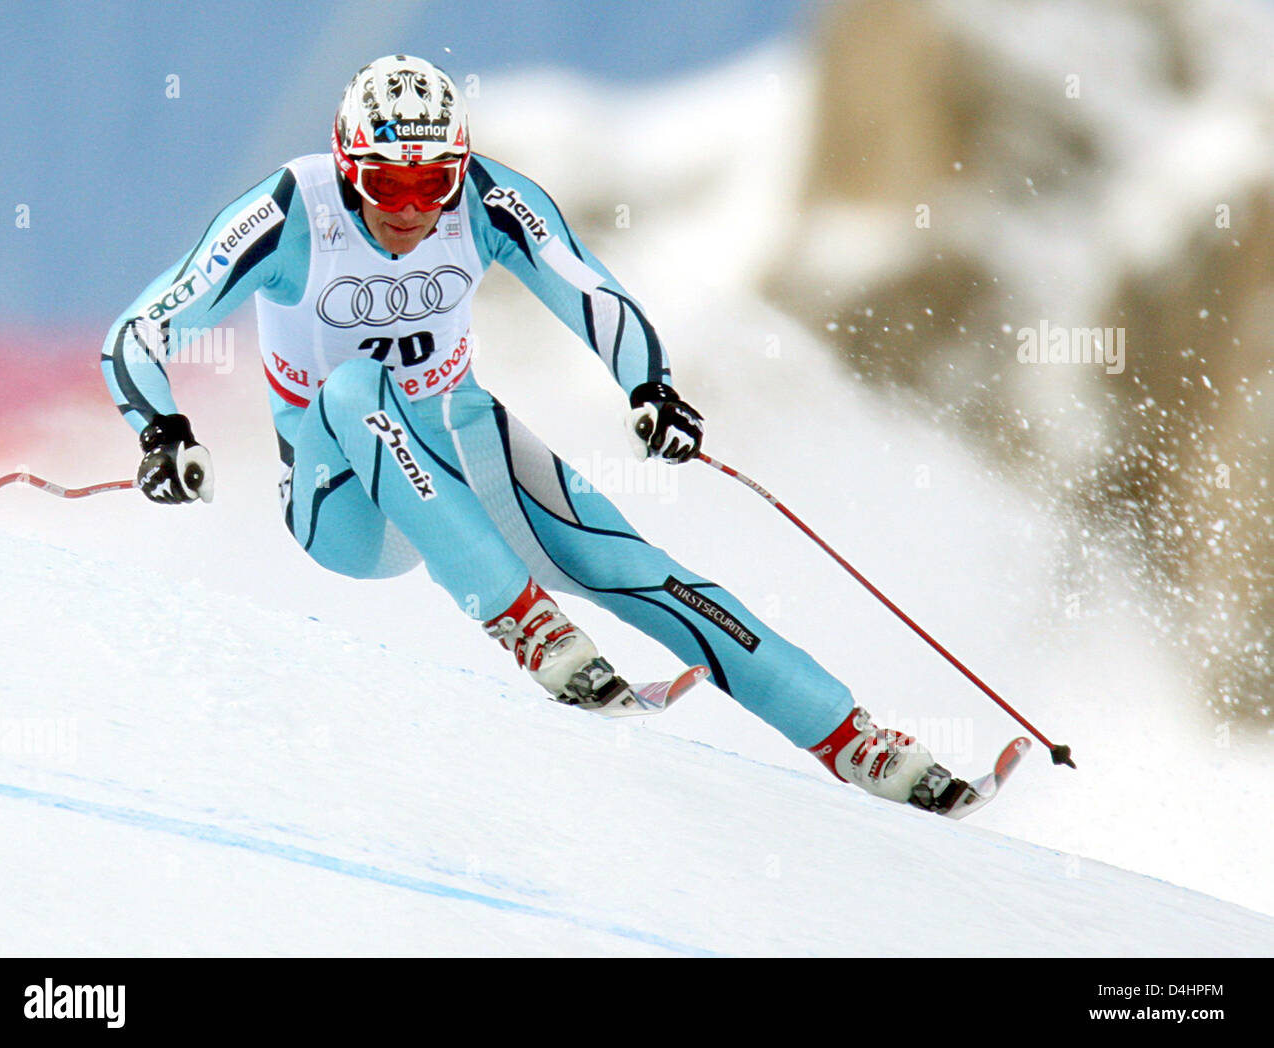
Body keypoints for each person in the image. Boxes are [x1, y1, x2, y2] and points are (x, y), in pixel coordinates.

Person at [101, 54, 967, 813]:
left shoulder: (484, 199)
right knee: (355, 385)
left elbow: (588, 289)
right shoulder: (293, 210)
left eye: (432, 184)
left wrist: (649, 386)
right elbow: (141, 326)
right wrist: (160, 429)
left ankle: (857, 741)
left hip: (454, 443)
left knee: (633, 565)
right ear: (346, 167)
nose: (411, 211)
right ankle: (526, 624)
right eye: (389, 186)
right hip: (344, 500)